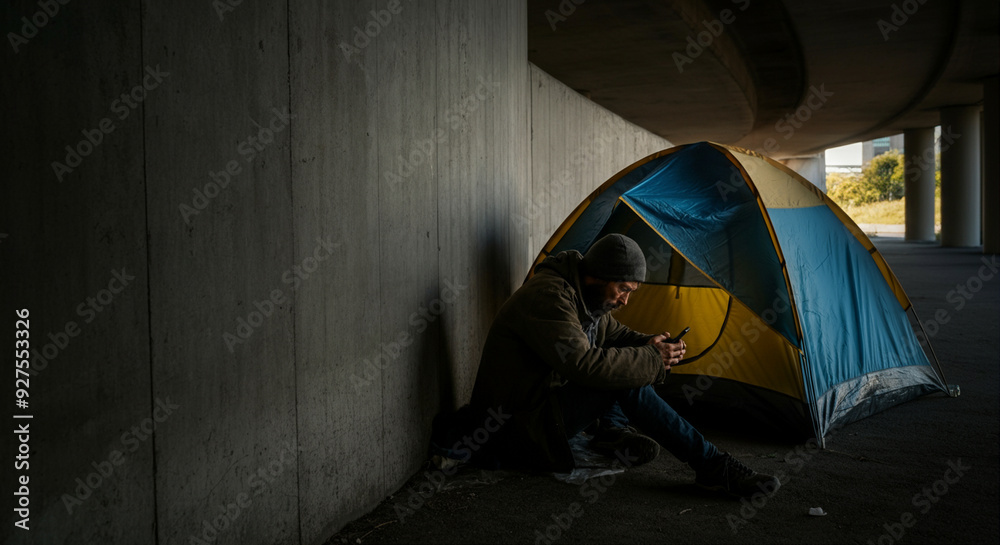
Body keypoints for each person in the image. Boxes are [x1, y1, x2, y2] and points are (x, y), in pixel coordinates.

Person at [467, 233, 780, 498]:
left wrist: (650, 344)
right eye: (623, 290)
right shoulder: (549, 298)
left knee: (624, 362)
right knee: (622, 377)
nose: (625, 301)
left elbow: (616, 335)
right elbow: (583, 365)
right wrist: (652, 360)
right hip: (515, 431)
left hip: (539, 412)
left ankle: (613, 432)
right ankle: (714, 466)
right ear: (599, 278)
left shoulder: (584, 296)